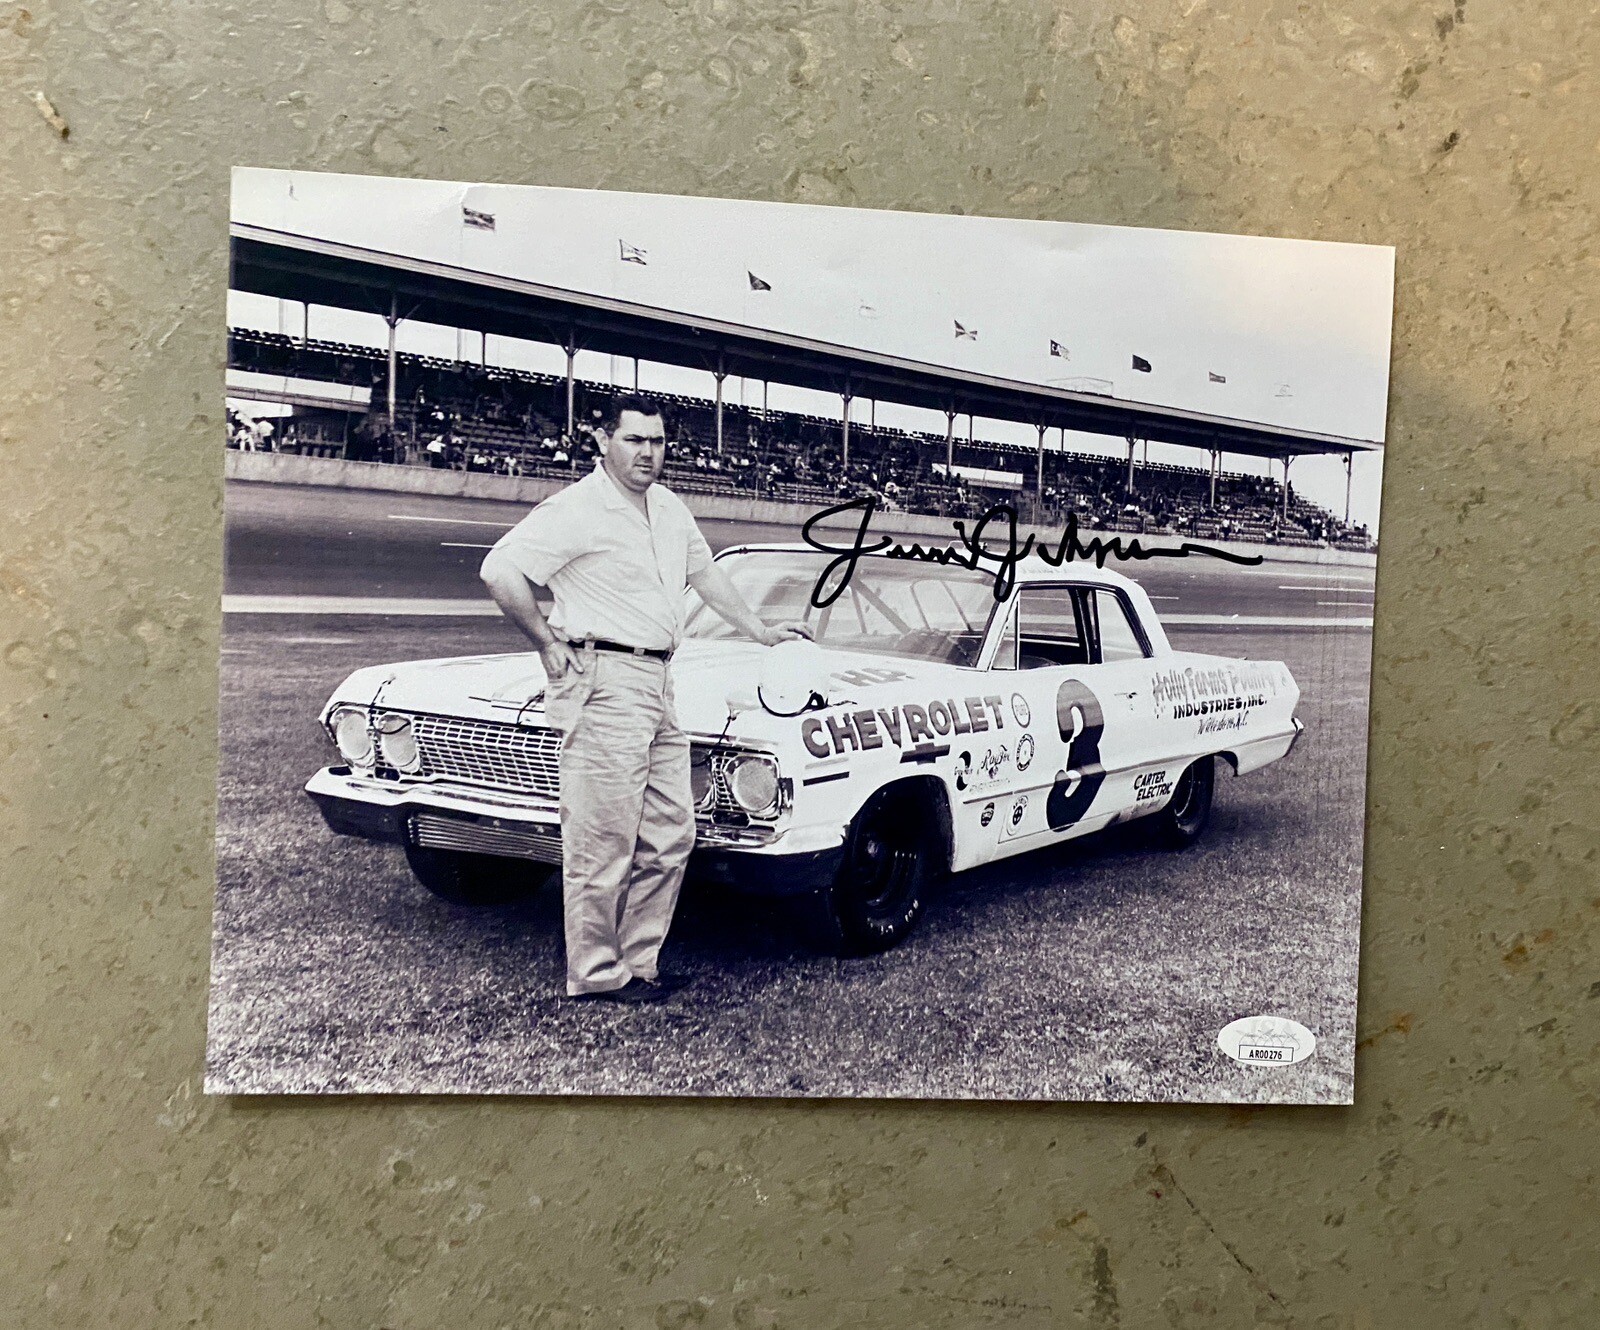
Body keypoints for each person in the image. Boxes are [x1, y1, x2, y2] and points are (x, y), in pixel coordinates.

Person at [480, 394, 808, 1005]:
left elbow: (705, 575)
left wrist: (759, 631)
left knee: (671, 832)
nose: (648, 454)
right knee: (601, 841)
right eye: (635, 441)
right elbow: (501, 571)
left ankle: (640, 962)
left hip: (659, 680)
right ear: (604, 441)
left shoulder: (668, 506)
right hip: (603, 678)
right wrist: (546, 643)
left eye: (657, 442)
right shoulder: (578, 507)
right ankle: (596, 974)